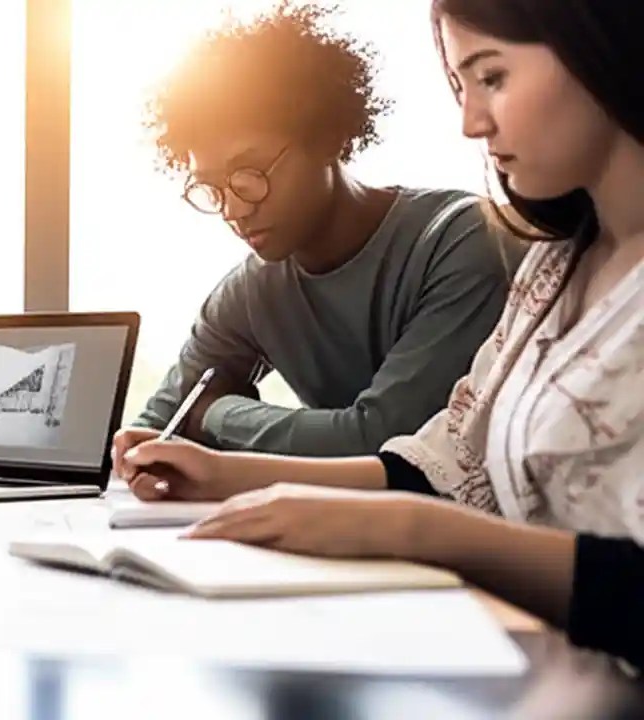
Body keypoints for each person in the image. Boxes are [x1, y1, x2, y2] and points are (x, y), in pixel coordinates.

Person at [120, 0, 644, 669]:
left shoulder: (461, 240)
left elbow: (406, 474)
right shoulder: (557, 264)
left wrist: (410, 528)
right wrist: (223, 475)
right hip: (534, 667)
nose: (470, 123)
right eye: (460, 87)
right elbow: (446, 464)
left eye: (492, 78)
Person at [115, 3, 524, 464]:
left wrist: (216, 414)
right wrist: (146, 453)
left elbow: (385, 441)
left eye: (249, 173)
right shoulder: (251, 292)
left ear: (327, 138)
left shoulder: (461, 240)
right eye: (210, 187)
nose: (233, 209)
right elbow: (154, 432)